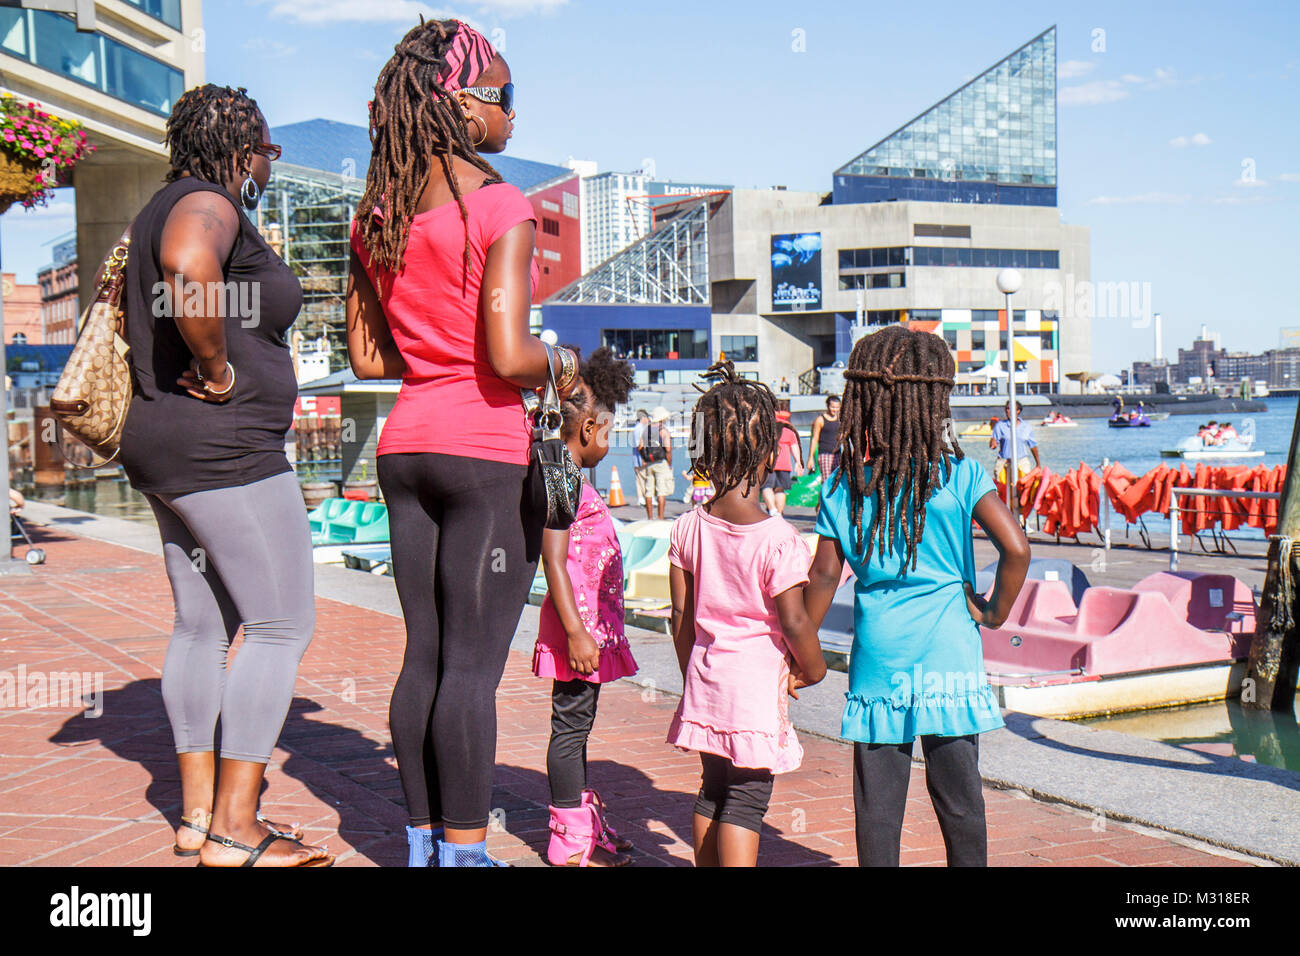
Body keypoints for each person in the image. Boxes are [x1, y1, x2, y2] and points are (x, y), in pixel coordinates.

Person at [346, 18, 580, 867]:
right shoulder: (500, 204)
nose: (514, 116)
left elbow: (370, 356)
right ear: (465, 104)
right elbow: (511, 357)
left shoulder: (375, 209)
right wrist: (567, 359)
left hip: (405, 445)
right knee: (472, 673)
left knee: (426, 656)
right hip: (482, 452)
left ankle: (421, 844)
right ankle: (467, 852)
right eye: (506, 98)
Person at [114, 85, 331, 867]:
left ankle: (198, 817)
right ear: (243, 152)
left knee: (203, 627)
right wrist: (217, 365)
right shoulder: (207, 205)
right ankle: (239, 828)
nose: (270, 164)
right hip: (226, 448)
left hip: (164, 445)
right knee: (280, 624)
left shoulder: (158, 204)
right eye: (268, 152)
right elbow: (187, 264)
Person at [802, 325, 1030, 867]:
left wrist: (798, 647)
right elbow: (1016, 549)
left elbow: (824, 579)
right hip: (950, 651)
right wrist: (994, 611)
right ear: (935, 398)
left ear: (861, 400)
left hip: (881, 659)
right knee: (960, 801)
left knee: (878, 806)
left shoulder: (844, 486)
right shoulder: (961, 474)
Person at [667, 360, 827, 867]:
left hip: (707, 678)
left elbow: (679, 616)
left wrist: (691, 671)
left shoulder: (688, 527)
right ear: (765, 456)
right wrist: (813, 667)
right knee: (747, 800)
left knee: (712, 788)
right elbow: (795, 620)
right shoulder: (778, 538)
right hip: (753, 689)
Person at [533, 348, 638, 867]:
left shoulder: (571, 474)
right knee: (570, 726)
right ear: (589, 426)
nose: (609, 443)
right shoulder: (562, 476)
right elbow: (553, 558)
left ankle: (579, 813)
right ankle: (568, 834)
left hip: (587, 631)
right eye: (608, 434)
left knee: (578, 724)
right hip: (577, 632)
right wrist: (576, 632)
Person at [989, 401, 1040, 521]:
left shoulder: (1026, 427)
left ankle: (1022, 518)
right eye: (1006, 409)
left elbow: (1033, 445)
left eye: (1010, 409)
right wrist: (993, 443)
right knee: (1001, 490)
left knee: (1023, 490)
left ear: (1018, 411)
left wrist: (1038, 463)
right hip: (1004, 461)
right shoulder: (1000, 426)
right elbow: (993, 442)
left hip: (1021, 460)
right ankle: (1004, 518)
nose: (1007, 411)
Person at [761, 404, 803, 515]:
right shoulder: (789, 432)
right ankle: (778, 514)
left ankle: (772, 510)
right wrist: (798, 462)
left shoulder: (766, 431)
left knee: (766, 487)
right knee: (780, 489)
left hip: (769, 463)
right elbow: (795, 447)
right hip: (785, 465)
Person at [639, 406, 674, 519]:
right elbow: (668, 449)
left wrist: (644, 458)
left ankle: (649, 517)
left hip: (649, 463)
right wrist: (669, 463)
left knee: (648, 491)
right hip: (660, 462)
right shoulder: (663, 431)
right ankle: (660, 517)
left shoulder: (645, 430)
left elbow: (640, 446)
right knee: (661, 491)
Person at [808, 394, 842, 479]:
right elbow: (814, 439)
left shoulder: (840, 419)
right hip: (824, 454)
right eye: (832, 407)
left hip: (837, 454)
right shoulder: (820, 420)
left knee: (838, 480)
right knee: (827, 480)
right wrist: (811, 457)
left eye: (837, 407)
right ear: (827, 406)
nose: (835, 410)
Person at [631, 408, 651, 508]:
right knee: (645, 478)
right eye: (647, 417)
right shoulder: (641, 429)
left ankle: (641, 498)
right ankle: (646, 498)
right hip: (641, 458)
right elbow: (640, 445)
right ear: (643, 418)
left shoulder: (636, 428)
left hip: (636, 459)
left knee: (639, 479)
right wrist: (644, 458)